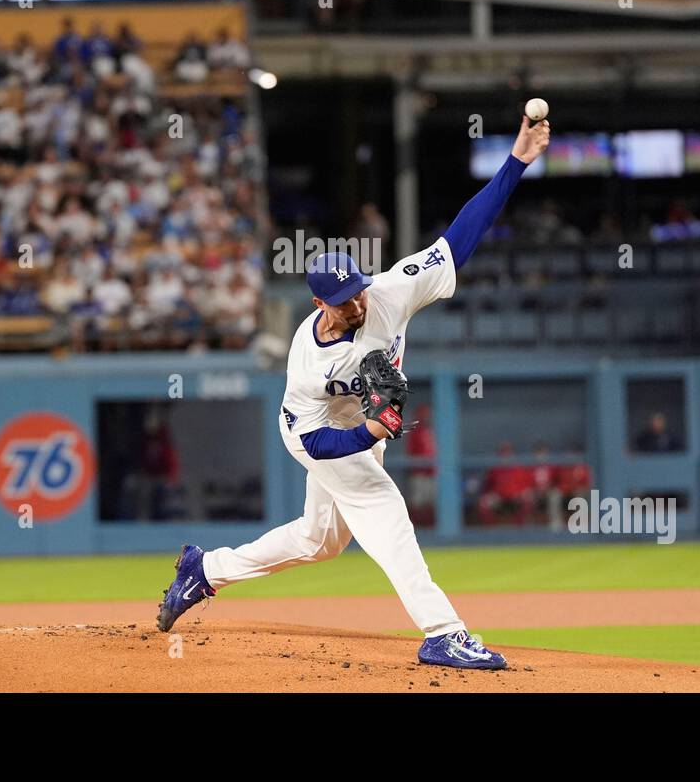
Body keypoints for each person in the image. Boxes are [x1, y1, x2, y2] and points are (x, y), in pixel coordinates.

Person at [156, 113, 551, 671]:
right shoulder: (308, 366)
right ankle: (443, 632)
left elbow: (460, 237)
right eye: (344, 298)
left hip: (362, 423)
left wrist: (516, 163)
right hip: (322, 431)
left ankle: (206, 570)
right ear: (321, 304)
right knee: (386, 513)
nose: (357, 302)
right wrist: (370, 429)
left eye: (358, 289)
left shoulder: (387, 292)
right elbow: (315, 444)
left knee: (320, 542)